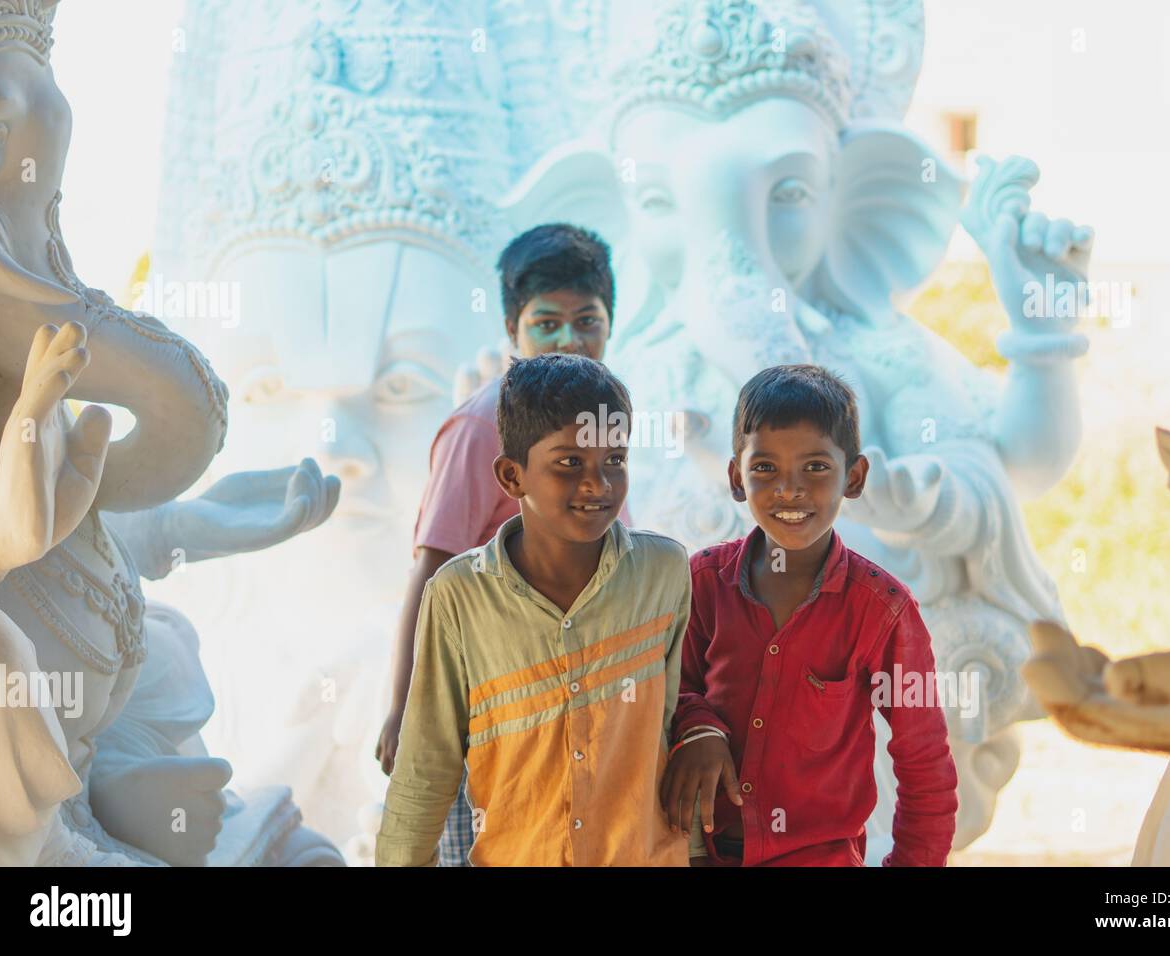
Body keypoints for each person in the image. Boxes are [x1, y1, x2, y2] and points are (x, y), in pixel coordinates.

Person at [376, 354, 689, 866]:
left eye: (615, 459)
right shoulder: (459, 598)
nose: (599, 484)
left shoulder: (664, 572)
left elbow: (675, 719)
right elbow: (426, 766)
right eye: (570, 462)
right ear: (511, 476)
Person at [375, 223, 623, 864]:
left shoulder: (606, 423)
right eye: (547, 323)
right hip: (482, 719)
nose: (570, 339)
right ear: (514, 328)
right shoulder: (483, 424)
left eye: (587, 320)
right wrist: (403, 711)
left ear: (609, 324)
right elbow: (432, 573)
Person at [661, 364, 958, 866]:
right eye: (765, 469)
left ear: (855, 477)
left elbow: (924, 764)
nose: (790, 490)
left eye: (816, 468)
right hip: (697, 853)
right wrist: (700, 727)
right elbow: (672, 690)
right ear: (736, 477)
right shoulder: (704, 583)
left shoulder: (882, 610)